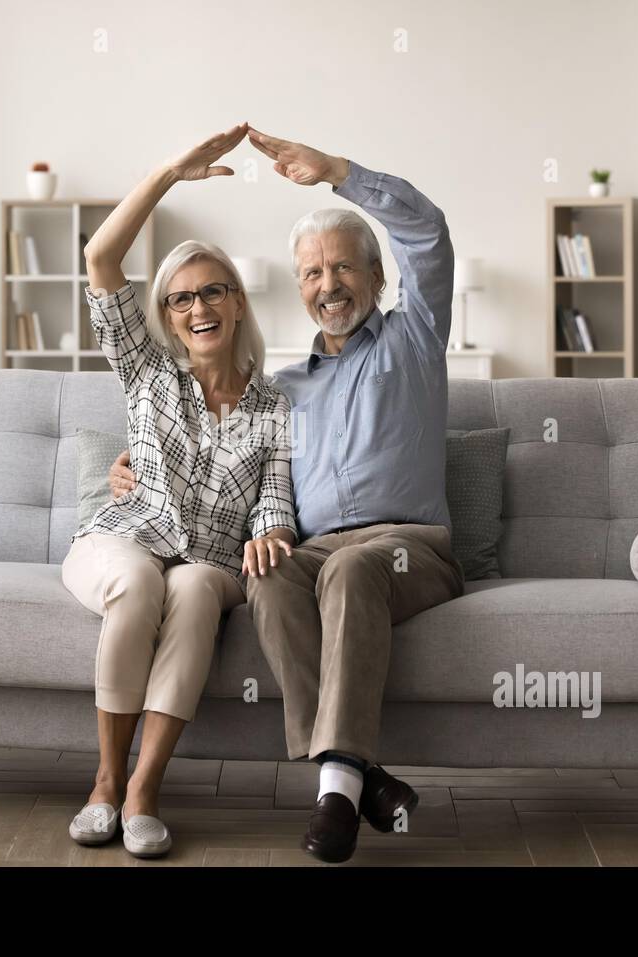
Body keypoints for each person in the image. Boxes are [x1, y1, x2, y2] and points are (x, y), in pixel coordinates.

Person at [108, 127, 464, 863]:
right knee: (265, 571)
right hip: (315, 552)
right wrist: (135, 462)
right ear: (297, 288)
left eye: (341, 268)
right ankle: (355, 777)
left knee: (351, 567)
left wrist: (337, 172)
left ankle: (334, 790)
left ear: (376, 276)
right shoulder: (279, 393)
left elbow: (427, 233)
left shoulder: (414, 339)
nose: (327, 284)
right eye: (311, 273)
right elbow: (208, 452)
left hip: (408, 549)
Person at [62, 122, 297, 858]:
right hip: (122, 541)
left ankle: (144, 791)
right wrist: (170, 172)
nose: (199, 309)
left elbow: (275, 500)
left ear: (236, 302)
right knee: (137, 578)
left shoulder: (274, 407)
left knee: (194, 588)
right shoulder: (148, 374)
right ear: (166, 315)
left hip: (211, 561)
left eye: (214, 292)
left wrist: (273, 533)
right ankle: (105, 780)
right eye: (181, 299)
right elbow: (100, 257)